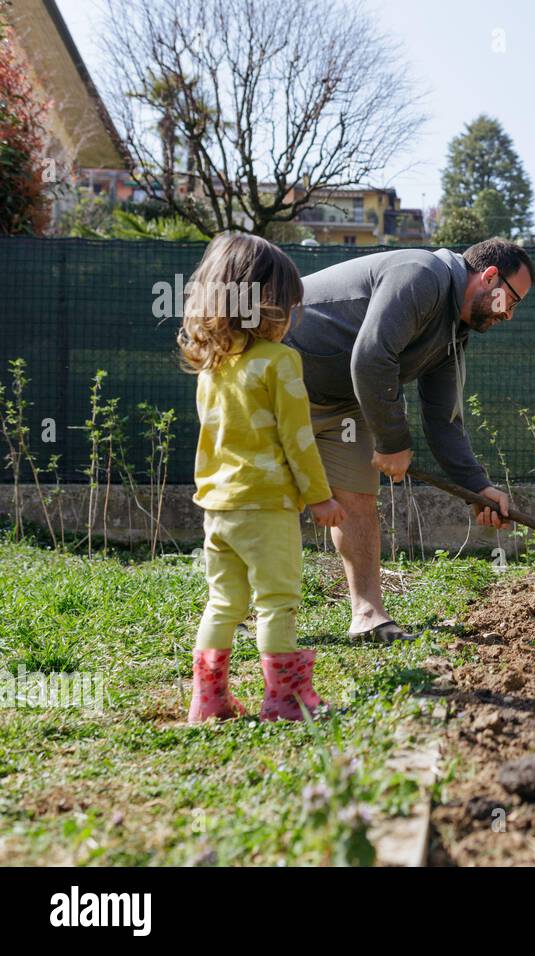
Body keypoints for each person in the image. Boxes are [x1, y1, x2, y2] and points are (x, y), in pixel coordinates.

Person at [286, 238, 535, 642]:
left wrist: (477, 487)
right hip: (281, 381)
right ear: (490, 277)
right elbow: (371, 356)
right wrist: (391, 441)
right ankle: (239, 610)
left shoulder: (454, 334)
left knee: (358, 502)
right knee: (262, 501)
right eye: (512, 299)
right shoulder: (422, 275)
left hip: (345, 401)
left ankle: (367, 614)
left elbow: (442, 420)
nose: (509, 314)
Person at [179, 232, 346, 723]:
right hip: (267, 506)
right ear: (266, 306)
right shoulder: (281, 362)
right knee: (277, 600)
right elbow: (299, 441)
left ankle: (208, 702)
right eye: (290, 306)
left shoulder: (213, 368)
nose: (293, 318)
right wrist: (320, 499)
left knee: (223, 602)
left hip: (217, 507)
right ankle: (286, 701)